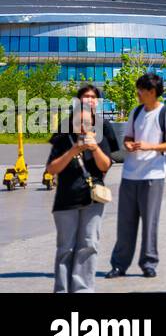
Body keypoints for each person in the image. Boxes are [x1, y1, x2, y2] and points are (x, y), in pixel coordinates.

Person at [106, 72, 166, 279]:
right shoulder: (136, 112)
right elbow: (128, 137)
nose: (138, 94)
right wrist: (129, 144)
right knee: (125, 223)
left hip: (153, 175)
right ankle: (119, 264)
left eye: (141, 90)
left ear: (152, 92)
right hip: (130, 175)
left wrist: (151, 146)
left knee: (150, 222)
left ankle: (149, 263)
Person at [46, 85, 120, 293]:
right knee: (66, 248)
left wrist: (94, 147)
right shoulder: (64, 136)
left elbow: (106, 165)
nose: (85, 125)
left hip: (93, 198)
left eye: (89, 122)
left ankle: (83, 290)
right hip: (66, 198)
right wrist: (73, 151)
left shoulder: (101, 133)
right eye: (80, 120)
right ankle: (62, 290)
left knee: (89, 245)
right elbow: (51, 169)